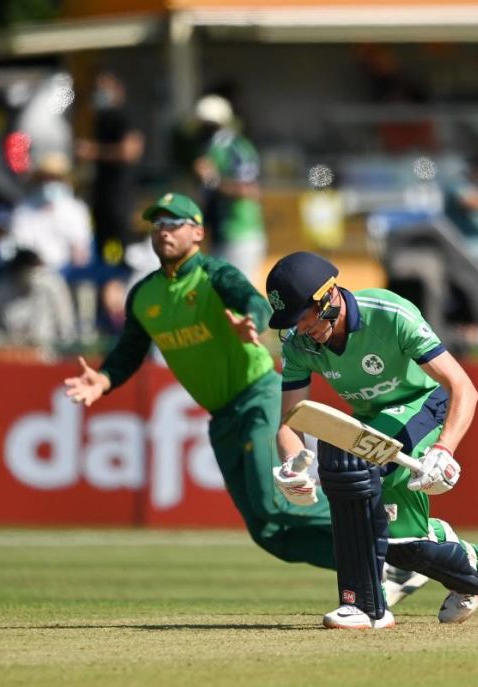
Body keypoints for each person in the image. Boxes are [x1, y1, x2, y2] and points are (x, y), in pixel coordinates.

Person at [62, 193, 338, 569]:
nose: (163, 232)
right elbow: (129, 351)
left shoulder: (214, 274)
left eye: (173, 224)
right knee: (269, 533)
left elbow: (252, 301)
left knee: (275, 500)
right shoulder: (144, 295)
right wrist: (105, 379)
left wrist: (252, 321)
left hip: (259, 395)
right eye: (157, 225)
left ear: (197, 232)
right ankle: (376, 567)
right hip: (222, 416)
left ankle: (380, 529)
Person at [267, 251, 478, 629]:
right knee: (405, 545)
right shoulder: (300, 345)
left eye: (303, 315)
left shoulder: (389, 312)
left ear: (327, 297)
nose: (300, 328)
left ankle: (364, 605)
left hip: (426, 403)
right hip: (373, 422)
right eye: (291, 321)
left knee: (351, 466)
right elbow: (291, 421)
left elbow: (463, 387)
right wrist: (291, 463)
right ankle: (476, 564)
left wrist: (444, 451)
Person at [75, 71, 144, 331]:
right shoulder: (99, 121)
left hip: (118, 207)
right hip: (103, 208)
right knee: (105, 260)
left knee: (116, 261)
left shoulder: (122, 117)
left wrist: (94, 152)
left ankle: (119, 319)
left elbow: (131, 150)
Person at [192, 94, 267, 283]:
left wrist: (213, 180)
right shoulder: (211, 148)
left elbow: (250, 190)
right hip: (220, 234)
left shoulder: (235, 148)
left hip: (239, 233)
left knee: (239, 300)